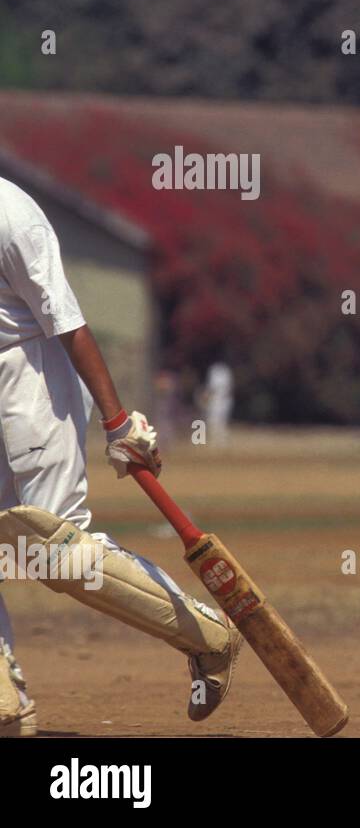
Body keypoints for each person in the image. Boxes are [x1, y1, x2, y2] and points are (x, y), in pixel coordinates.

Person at [0, 176, 238, 738]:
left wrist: (117, 423)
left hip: (31, 384)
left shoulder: (12, 213)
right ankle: (7, 707)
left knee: (56, 551)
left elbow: (70, 324)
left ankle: (209, 638)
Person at [199, 360, 233, 447]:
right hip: (218, 400)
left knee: (217, 422)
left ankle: (221, 442)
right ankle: (219, 442)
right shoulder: (218, 371)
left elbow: (223, 389)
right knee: (215, 422)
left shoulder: (221, 371)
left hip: (221, 400)